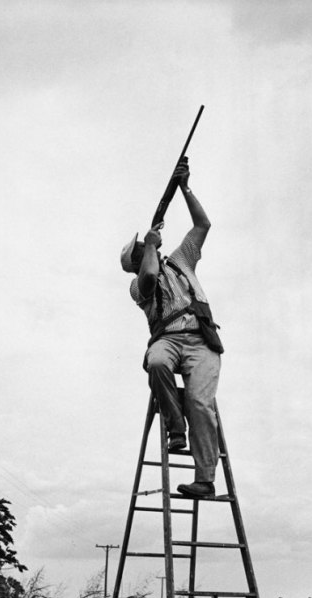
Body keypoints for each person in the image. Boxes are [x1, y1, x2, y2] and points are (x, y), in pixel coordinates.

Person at [120, 158, 223, 499]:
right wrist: (151, 243)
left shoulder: (180, 261)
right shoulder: (137, 286)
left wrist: (184, 188)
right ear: (137, 259)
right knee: (157, 361)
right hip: (168, 340)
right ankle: (175, 428)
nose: (144, 244)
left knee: (200, 403)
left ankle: (205, 479)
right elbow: (149, 276)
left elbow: (203, 224)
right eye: (141, 247)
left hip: (200, 341)